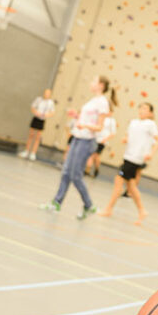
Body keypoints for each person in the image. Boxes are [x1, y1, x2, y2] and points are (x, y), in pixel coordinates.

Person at [42, 75, 118, 219]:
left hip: (87, 141)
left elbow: (99, 126)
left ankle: (89, 205)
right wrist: (77, 116)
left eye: (94, 81)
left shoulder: (102, 102)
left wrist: (85, 125)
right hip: (78, 138)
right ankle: (56, 202)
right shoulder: (93, 100)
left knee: (75, 176)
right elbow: (86, 120)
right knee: (65, 172)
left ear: (101, 85)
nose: (91, 83)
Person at [98, 102, 158, 224]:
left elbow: (157, 141)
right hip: (128, 156)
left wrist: (151, 153)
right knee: (131, 186)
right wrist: (125, 139)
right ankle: (142, 211)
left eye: (145, 108)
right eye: (140, 107)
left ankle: (108, 209)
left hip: (136, 158)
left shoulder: (151, 124)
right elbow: (128, 136)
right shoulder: (133, 123)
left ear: (150, 113)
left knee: (118, 181)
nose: (142, 110)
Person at [20, 89, 55, 160]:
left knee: (38, 137)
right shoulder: (39, 99)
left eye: (48, 93)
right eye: (46, 93)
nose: (47, 94)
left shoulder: (50, 103)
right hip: (36, 118)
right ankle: (26, 151)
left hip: (42, 120)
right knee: (31, 135)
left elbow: (52, 112)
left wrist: (46, 115)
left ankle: (33, 153)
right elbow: (33, 107)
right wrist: (36, 112)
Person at [86, 110, 117, 178]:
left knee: (95, 155)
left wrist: (105, 139)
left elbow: (113, 133)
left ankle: (93, 169)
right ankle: (89, 170)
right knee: (92, 155)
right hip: (95, 138)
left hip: (102, 141)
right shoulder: (101, 118)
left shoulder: (112, 121)